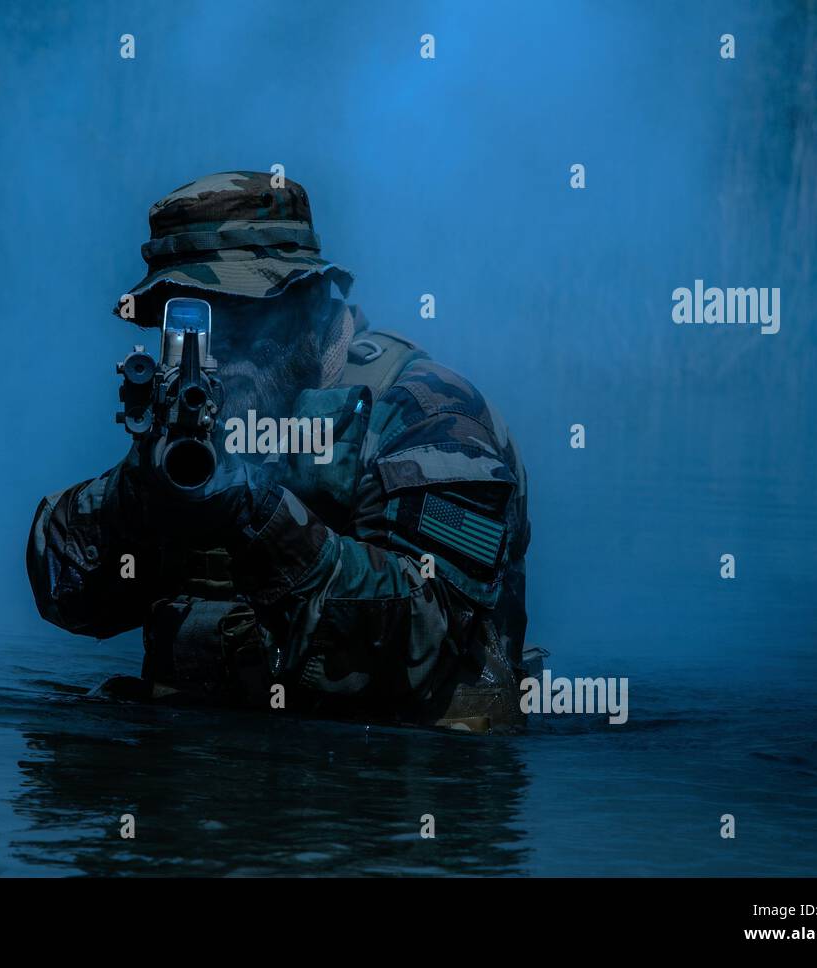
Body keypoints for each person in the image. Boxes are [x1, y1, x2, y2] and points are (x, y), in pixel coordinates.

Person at [27, 171, 531, 731]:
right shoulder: (208, 410)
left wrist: (259, 515)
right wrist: (139, 496)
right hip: (221, 773)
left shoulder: (430, 413)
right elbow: (64, 594)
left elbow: (425, 638)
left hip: (396, 791)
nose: (217, 351)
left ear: (310, 301)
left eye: (240, 314)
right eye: (190, 323)